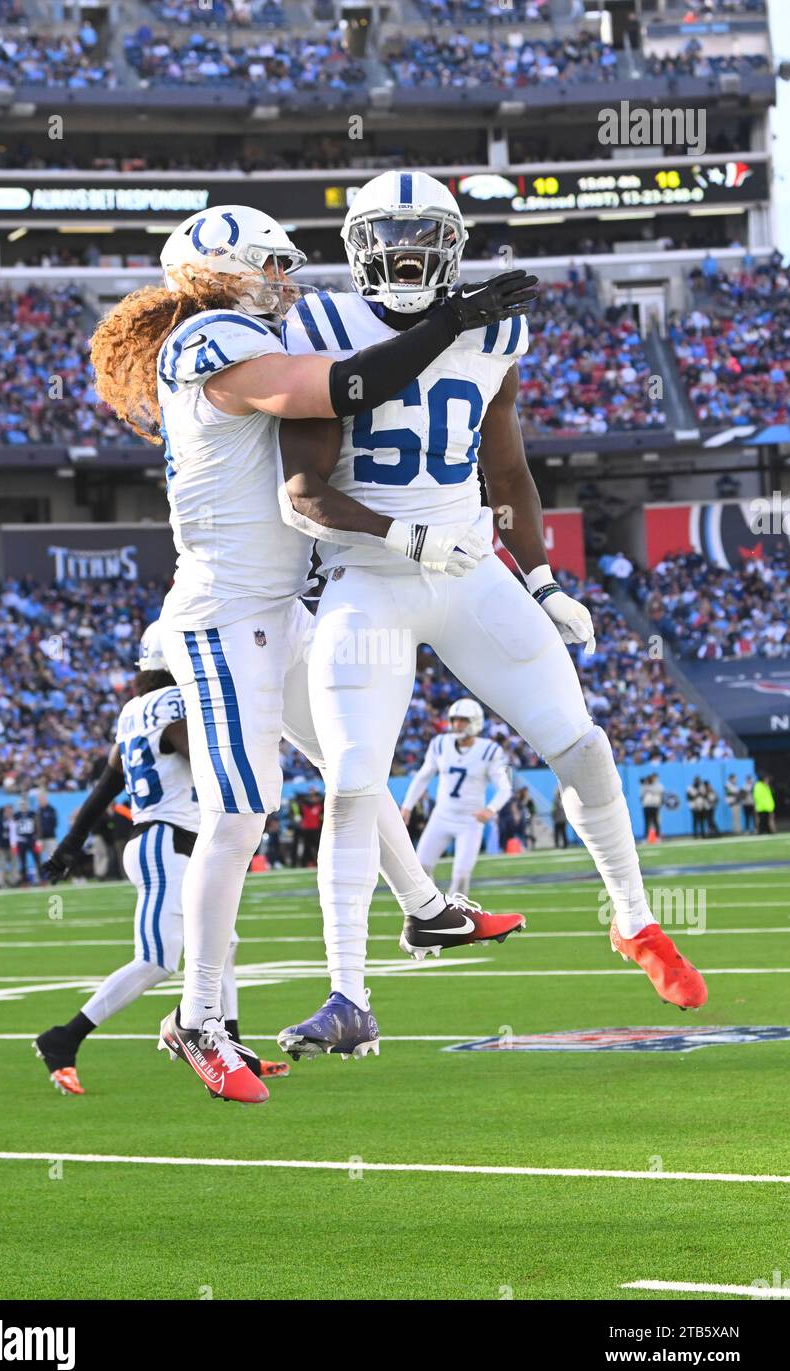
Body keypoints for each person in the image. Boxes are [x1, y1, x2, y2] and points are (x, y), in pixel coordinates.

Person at [89, 202, 534, 1102]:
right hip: (222, 612)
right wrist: (450, 320)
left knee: (350, 769)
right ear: (221, 271)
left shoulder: (236, 329)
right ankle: (201, 1019)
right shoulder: (210, 335)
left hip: (277, 604)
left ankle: (428, 908)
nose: (287, 281)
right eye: (272, 265)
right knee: (240, 816)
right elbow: (342, 389)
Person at [274, 170, 707, 1061]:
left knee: (583, 742)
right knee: (355, 784)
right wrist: (406, 537)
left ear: (451, 245)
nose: (402, 255)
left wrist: (543, 580)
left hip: (472, 569)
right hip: (369, 575)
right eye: (386, 238)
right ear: (356, 246)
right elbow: (304, 493)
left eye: (421, 237)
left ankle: (634, 921)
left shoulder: (496, 327)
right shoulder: (317, 325)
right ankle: (349, 994)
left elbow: (507, 474)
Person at [33, 622, 288, 1096]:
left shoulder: (134, 710)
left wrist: (71, 844)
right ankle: (62, 1040)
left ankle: (230, 1048)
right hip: (163, 843)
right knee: (157, 959)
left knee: (222, 946)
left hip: (180, 843)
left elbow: (106, 786)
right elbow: (206, 757)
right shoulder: (174, 705)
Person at [400, 699, 517, 904]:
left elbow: (505, 788)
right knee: (421, 867)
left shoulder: (489, 750)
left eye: (463, 720)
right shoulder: (440, 744)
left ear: (475, 722)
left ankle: (458, 918)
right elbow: (423, 776)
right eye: (454, 720)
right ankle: (431, 911)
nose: (457, 725)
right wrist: (407, 806)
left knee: (462, 875)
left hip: (470, 821)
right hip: (442, 816)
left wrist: (491, 809)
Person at [13, 796, 39, 885]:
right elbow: (13, 829)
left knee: (37, 860)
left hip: (32, 840)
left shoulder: (32, 814)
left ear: (27, 805)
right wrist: (14, 842)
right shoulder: (16, 815)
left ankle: (41, 879)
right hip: (21, 841)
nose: (23, 806)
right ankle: (24, 881)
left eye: (25, 804)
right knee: (23, 862)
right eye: (21, 804)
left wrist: (38, 839)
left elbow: (37, 826)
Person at [640, 772, 664, 840]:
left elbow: (659, 791)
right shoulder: (645, 785)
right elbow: (641, 795)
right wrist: (646, 784)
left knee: (656, 822)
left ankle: (658, 837)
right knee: (647, 822)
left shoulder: (658, 785)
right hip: (647, 806)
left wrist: (648, 785)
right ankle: (646, 837)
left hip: (655, 806)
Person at [36, 791, 58, 864]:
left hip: (50, 837)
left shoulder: (51, 810)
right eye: (39, 800)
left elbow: (54, 823)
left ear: (46, 799)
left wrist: (47, 830)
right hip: (40, 839)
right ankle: (42, 873)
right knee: (39, 858)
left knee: (52, 856)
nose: (41, 801)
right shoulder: (37, 811)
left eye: (42, 799)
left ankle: (54, 873)